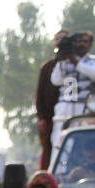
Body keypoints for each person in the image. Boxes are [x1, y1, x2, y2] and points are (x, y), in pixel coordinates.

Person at [50, 32, 95, 149]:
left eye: (85, 41)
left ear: (90, 45)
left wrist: (76, 62)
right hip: (65, 107)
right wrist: (62, 60)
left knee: (86, 143)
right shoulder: (65, 61)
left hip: (86, 108)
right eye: (78, 41)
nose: (81, 44)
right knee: (59, 144)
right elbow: (55, 80)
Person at [36, 31, 71, 171]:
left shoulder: (77, 63)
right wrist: (42, 117)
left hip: (73, 114)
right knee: (51, 150)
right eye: (58, 39)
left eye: (65, 39)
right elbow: (40, 94)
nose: (61, 41)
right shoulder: (48, 67)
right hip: (52, 118)